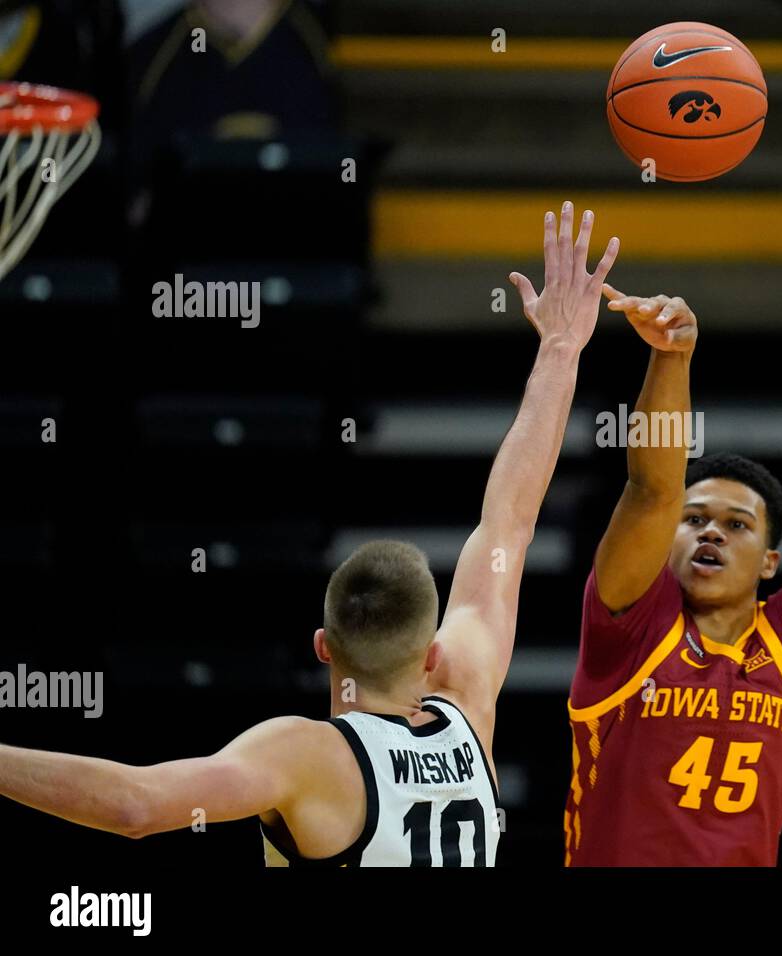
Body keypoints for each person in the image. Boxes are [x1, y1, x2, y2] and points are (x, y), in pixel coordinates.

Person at [0, 201, 619, 866]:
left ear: (324, 645)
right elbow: (512, 519)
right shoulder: (466, 703)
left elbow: (134, 807)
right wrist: (560, 349)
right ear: (432, 654)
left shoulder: (309, 759)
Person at [564, 251, 782, 865]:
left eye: (736, 525)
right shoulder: (633, 622)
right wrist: (671, 357)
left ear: (771, 562)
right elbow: (652, 489)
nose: (710, 533)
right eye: (694, 521)